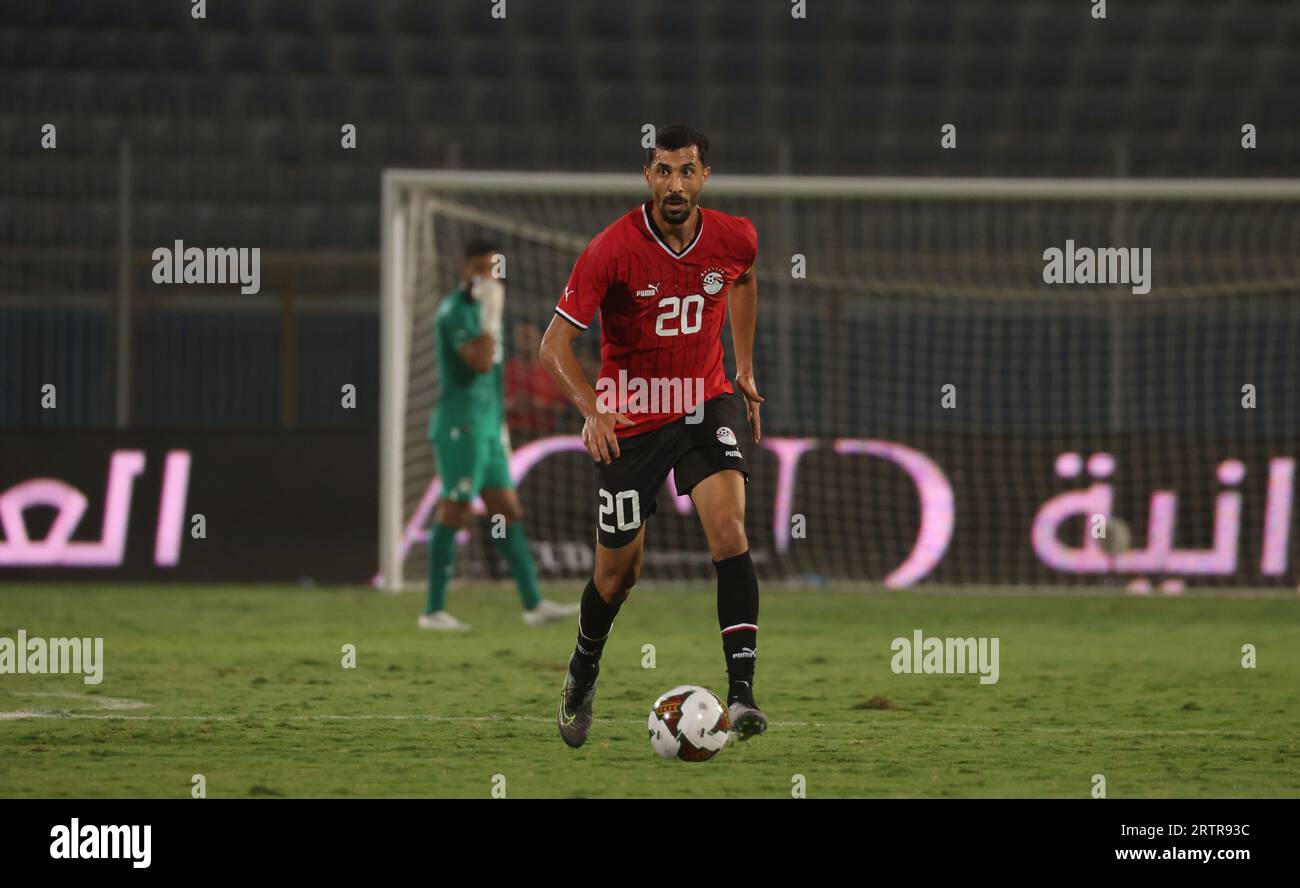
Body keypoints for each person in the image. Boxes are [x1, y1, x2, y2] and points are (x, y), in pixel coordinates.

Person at [538, 125, 766, 746]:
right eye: (663, 171)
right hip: (632, 420)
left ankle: (742, 695)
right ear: (647, 176)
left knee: (731, 533)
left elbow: (742, 277)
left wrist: (742, 368)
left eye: (686, 171)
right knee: (618, 577)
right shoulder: (611, 250)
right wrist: (592, 409)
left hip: (703, 403)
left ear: (704, 177)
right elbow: (554, 345)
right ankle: (583, 668)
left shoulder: (733, 235)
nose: (675, 184)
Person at [421, 241, 579, 632]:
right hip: (461, 426)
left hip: (488, 428)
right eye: (477, 267)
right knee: (455, 509)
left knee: (508, 512)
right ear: (464, 270)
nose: (485, 276)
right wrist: (491, 317)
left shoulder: (486, 308)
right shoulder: (457, 310)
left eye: (491, 268)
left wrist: (500, 424)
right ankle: (433, 610)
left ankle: (533, 605)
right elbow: (477, 362)